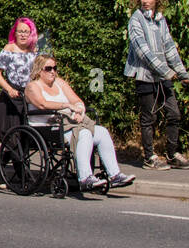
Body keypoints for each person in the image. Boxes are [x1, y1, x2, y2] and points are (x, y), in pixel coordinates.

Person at [25, 55, 136, 188]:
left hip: (67, 123)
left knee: (101, 132)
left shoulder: (59, 83)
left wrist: (79, 111)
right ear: (39, 70)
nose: (53, 71)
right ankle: (85, 177)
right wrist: (66, 106)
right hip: (46, 127)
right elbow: (42, 104)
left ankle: (115, 175)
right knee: (83, 133)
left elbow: (76, 101)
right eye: (48, 68)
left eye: (55, 68)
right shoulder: (32, 87)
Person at [125, 0, 189, 170]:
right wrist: (166, 72)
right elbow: (142, 50)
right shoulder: (135, 20)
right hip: (145, 76)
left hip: (163, 77)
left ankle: (172, 154)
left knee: (174, 114)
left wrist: (181, 72)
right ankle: (149, 157)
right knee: (149, 118)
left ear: (157, 0)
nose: (145, 1)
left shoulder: (160, 19)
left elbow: (169, 47)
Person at [0, 17, 39, 143]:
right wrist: (9, 89)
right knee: (11, 136)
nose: (23, 35)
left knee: (26, 136)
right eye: (20, 31)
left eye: (26, 32)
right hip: (11, 96)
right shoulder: (9, 48)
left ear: (31, 34)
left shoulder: (34, 50)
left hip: (28, 95)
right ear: (15, 33)